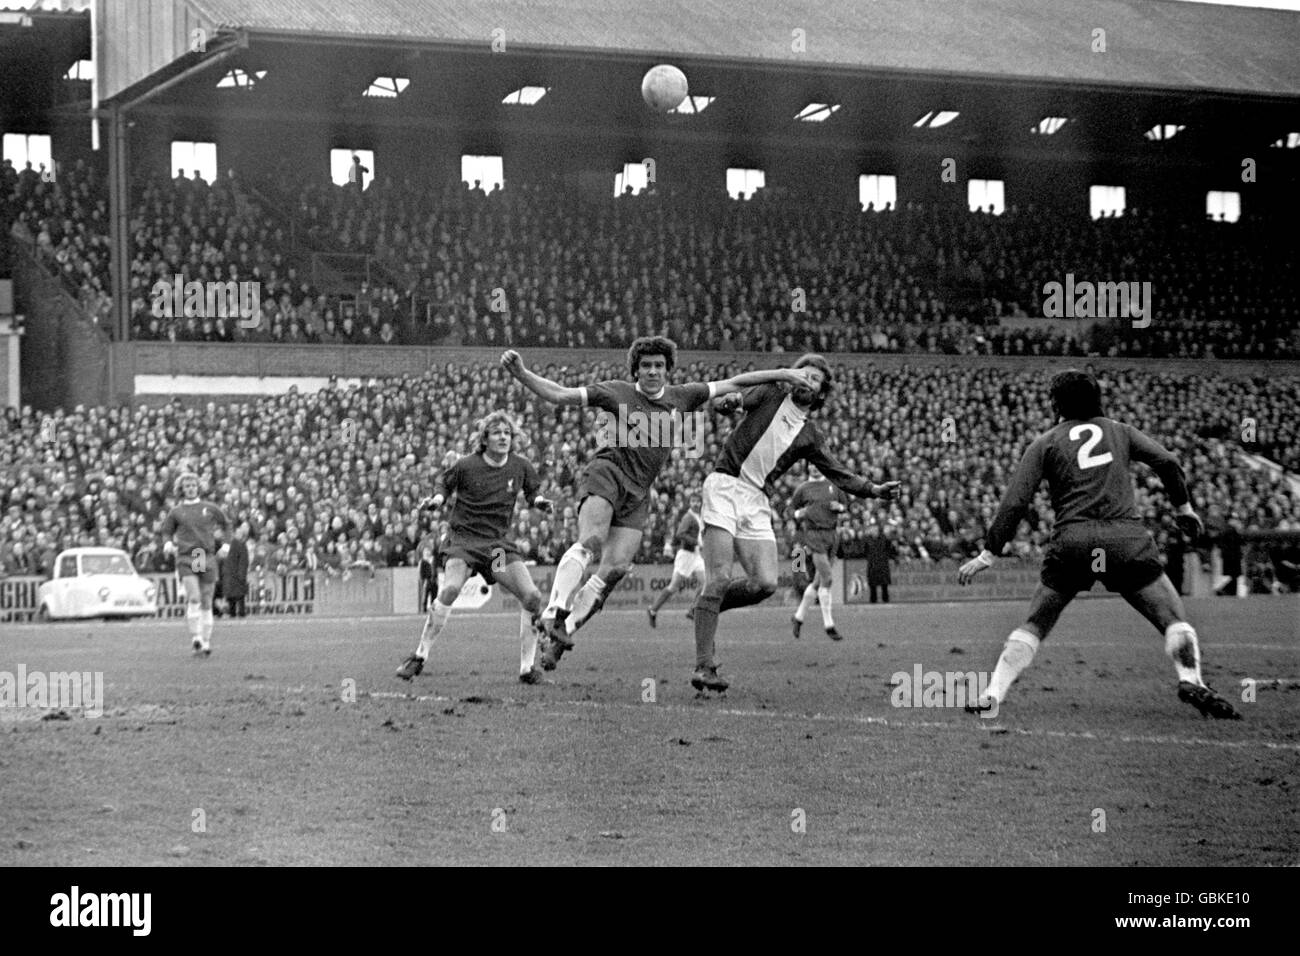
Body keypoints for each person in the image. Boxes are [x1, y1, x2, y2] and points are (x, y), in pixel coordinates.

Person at [501, 339, 819, 671]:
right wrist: (522, 374)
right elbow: (559, 394)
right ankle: (554, 613)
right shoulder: (616, 392)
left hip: (640, 492)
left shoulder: (684, 396)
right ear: (635, 369)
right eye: (646, 365)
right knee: (591, 541)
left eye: (659, 366)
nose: (653, 371)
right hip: (608, 472)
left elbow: (736, 383)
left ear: (668, 370)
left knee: (614, 570)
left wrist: (782, 373)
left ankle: (561, 633)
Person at [957, 369, 1239, 719]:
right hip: (1124, 541)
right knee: (1173, 618)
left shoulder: (1045, 442)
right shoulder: (1120, 431)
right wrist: (1183, 507)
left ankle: (992, 695)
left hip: (1073, 543)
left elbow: (1015, 501)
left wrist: (989, 552)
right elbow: (1167, 461)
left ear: (1057, 403)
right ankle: (1190, 678)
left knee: (1035, 623)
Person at [691, 354, 901, 692]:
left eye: (815, 379)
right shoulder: (771, 393)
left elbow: (837, 471)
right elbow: (731, 400)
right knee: (718, 579)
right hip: (724, 484)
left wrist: (873, 490)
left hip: (757, 500)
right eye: (803, 374)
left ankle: (706, 606)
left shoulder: (809, 435)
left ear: (820, 394)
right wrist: (729, 402)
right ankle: (704, 666)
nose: (807, 380)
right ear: (792, 377)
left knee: (765, 583)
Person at [395, 412, 554, 685]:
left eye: (507, 432)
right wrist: (436, 500)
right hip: (464, 542)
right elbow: (444, 485)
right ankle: (419, 656)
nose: (503, 437)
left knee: (532, 597)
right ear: (485, 439)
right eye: (496, 432)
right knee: (451, 589)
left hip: (496, 549)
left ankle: (527, 669)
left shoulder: (520, 466)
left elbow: (532, 492)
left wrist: (539, 501)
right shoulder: (466, 465)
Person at [161, 471, 231, 656]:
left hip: (203, 555)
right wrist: (168, 543)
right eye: (187, 486)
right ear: (181, 490)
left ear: (198, 487)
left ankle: (206, 643)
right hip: (186, 555)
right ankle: (196, 638)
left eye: (193, 485)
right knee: (194, 597)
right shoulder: (176, 511)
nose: (191, 489)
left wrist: (226, 545)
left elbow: (227, 524)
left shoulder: (209, 507)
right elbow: (166, 531)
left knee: (207, 601)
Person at [788, 465, 848, 640]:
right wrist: (800, 513)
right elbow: (789, 511)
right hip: (813, 535)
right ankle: (829, 625)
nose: (815, 469)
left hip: (832, 534)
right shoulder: (803, 489)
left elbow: (845, 505)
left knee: (817, 582)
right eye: (812, 466)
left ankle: (798, 618)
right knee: (827, 578)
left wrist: (840, 507)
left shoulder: (834, 486)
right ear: (809, 468)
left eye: (818, 465)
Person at [647, 492, 705, 628]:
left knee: (705, 583)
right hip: (686, 555)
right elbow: (680, 533)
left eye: (698, 501)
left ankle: (693, 610)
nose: (696, 504)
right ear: (689, 503)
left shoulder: (698, 516)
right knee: (673, 587)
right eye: (693, 501)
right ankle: (653, 609)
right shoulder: (688, 517)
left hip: (696, 555)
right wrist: (696, 542)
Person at [219, 522, 250, 617]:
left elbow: (243, 562)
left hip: (235, 574)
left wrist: (241, 574)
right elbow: (222, 559)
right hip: (230, 574)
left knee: (238, 595)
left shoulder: (240, 545)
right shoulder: (229, 545)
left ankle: (240, 613)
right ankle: (235, 613)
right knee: (233, 596)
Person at [865, 521, 895, 603]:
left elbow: (890, 548)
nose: (874, 531)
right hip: (872, 564)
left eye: (875, 529)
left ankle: (885, 599)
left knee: (884, 584)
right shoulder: (867, 539)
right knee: (872, 585)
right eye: (872, 529)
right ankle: (873, 600)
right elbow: (864, 550)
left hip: (883, 564)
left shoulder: (884, 538)